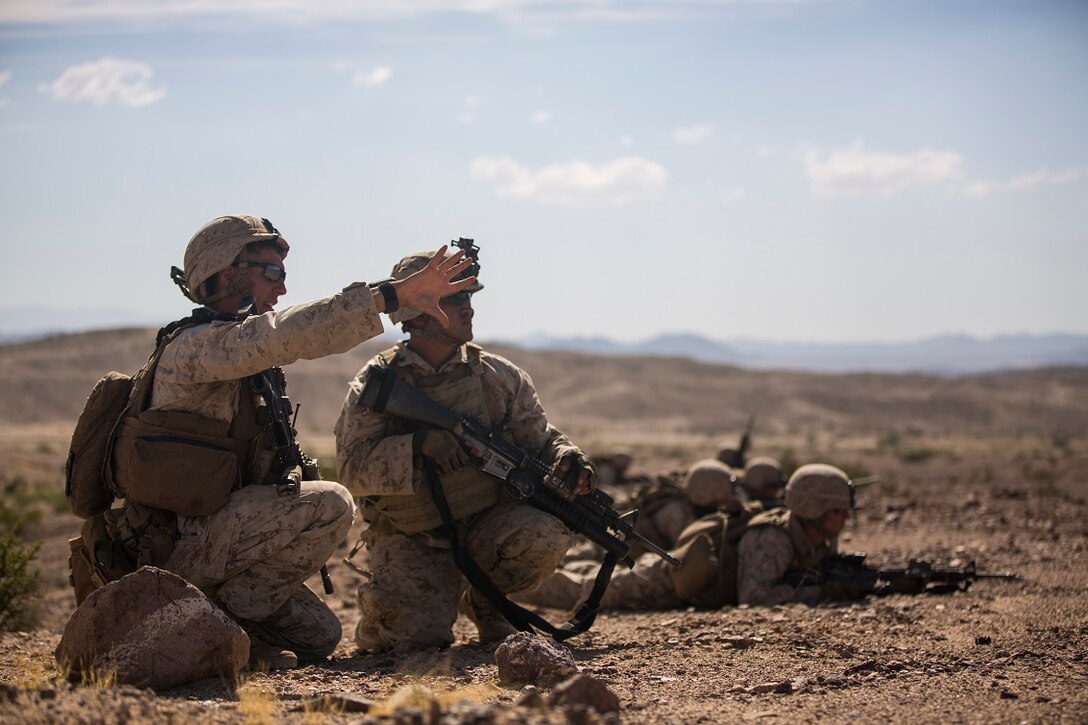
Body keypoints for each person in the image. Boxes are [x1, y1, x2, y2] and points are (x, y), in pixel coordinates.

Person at [104, 214, 476, 672]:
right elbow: (284, 335)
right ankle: (209, 623)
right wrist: (391, 296)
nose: (280, 289)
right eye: (272, 273)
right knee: (331, 504)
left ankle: (221, 623)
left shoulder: (238, 356)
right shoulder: (197, 348)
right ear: (227, 274)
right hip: (175, 544)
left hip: (217, 536)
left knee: (320, 636)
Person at [334, 248, 596, 653]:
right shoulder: (379, 383)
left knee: (544, 533)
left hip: (485, 528)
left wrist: (567, 457)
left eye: (469, 297)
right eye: (454, 299)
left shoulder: (498, 376)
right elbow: (351, 467)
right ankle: (386, 614)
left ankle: (489, 605)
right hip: (414, 536)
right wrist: (417, 446)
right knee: (414, 642)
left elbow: (540, 440)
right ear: (416, 314)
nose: (468, 308)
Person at [520, 463, 857, 612]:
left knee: (591, 579)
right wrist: (822, 592)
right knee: (587, 591)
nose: (846, 518)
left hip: (682, 575)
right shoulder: (773, 537)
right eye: (839, 511)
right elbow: (754, 596)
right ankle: (517, 581)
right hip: (667, 577)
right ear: (816, 510)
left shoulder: (812, 538)